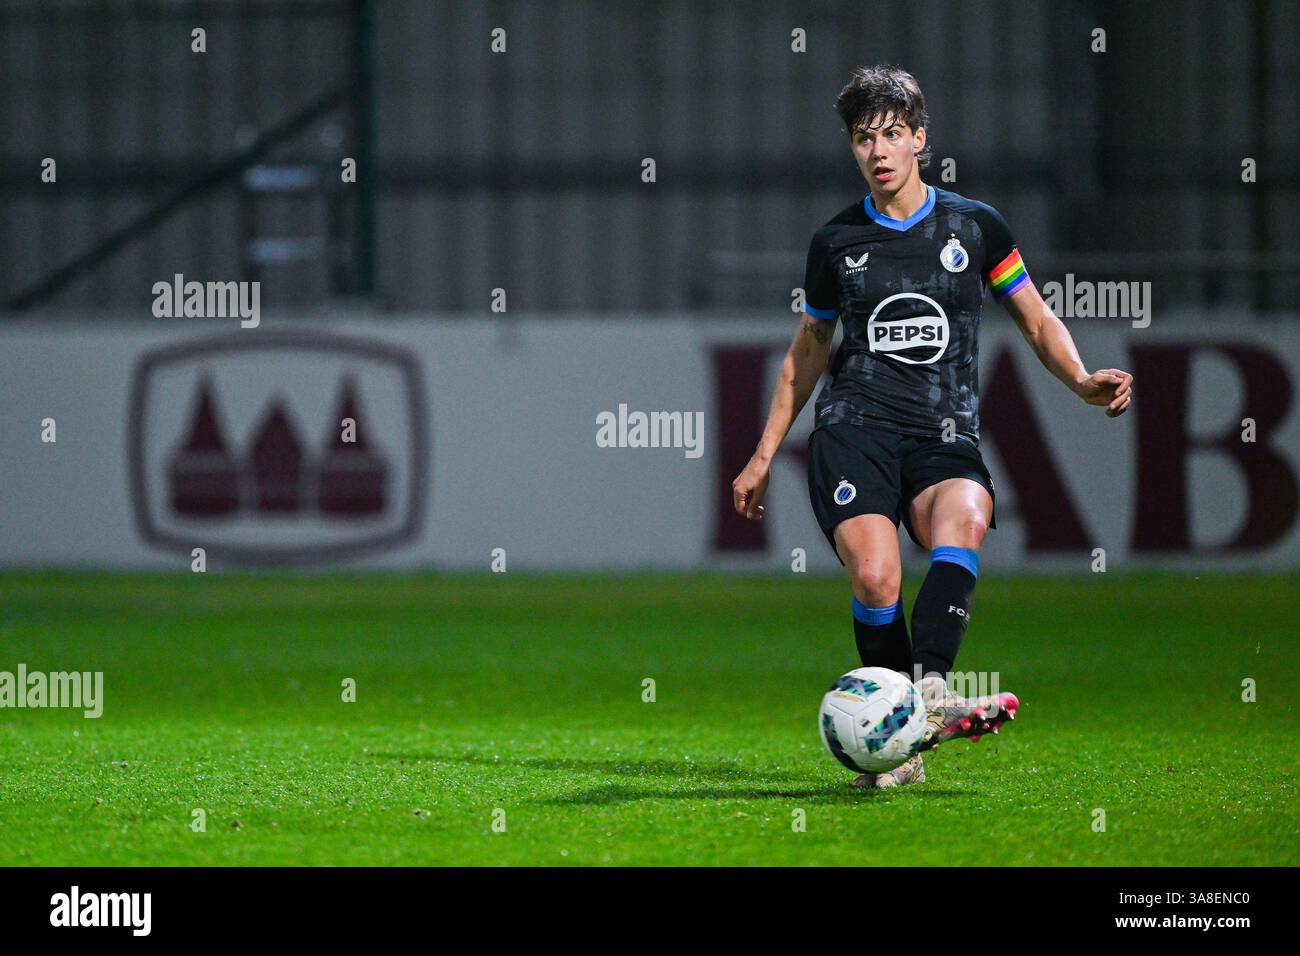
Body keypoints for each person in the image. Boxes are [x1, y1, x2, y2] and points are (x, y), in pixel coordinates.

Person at [730, 65, 1134, 789]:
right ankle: (899, 748)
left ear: (920, 138)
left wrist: (1079, 380)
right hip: (855, 426)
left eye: (891, 134)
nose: (878, 151)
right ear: (852, 149)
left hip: (943, 430)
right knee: (878, 577)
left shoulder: (975, 227)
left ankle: (930, 694)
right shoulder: (836, 243)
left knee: (968, 514)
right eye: (863, 138)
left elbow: (1035, 316)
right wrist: (763, 455)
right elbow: (806, 353)